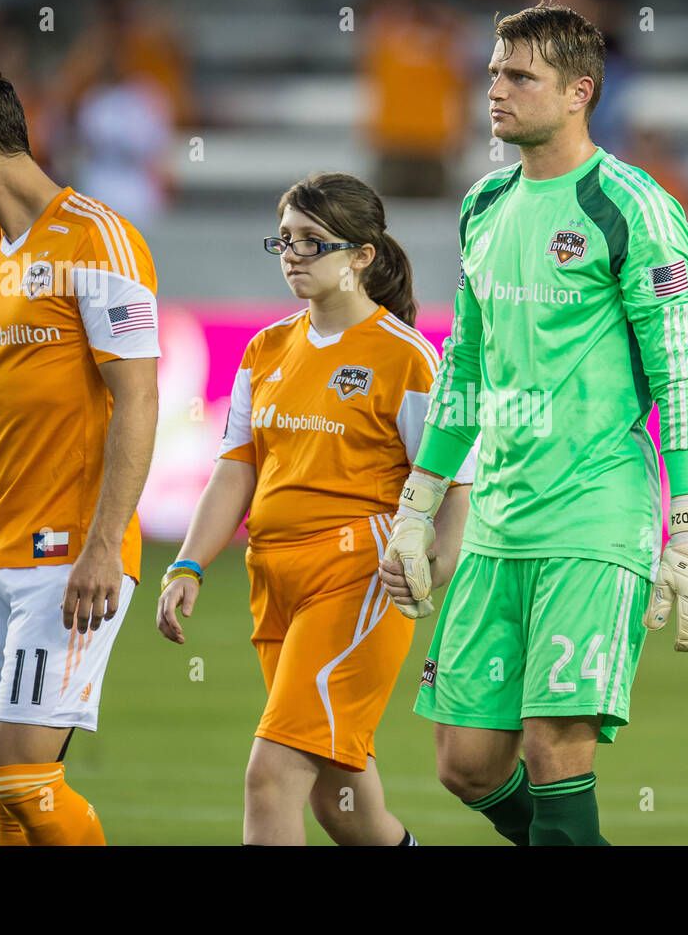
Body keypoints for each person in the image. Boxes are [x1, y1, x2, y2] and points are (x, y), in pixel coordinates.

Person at [377, 1, 688, 847]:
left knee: (552, 748)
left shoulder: (635, 208)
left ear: (580, 92)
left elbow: (678, 373)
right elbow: (463, 370)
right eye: (495, 72)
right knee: (465, 762)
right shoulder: (483, 204)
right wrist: (418, 509)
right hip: (497, 520)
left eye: (518, 76)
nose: (494, 89)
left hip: (594, 516)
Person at [156, 172, 473, 846]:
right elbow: (236, 469)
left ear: (362, 255)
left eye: (312, 242)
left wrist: (433, 568)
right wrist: (187, 563)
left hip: (356, 581)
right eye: (285, 240)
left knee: (269, 778)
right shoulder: (265, 349)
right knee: (343, 803)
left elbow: (457, 484)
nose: (292, 255)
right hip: (273, 581)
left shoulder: (408, 358)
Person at [0, 62, 160, 846]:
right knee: (7, 801)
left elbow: (138, 400)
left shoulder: (101, 238)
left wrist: (102, 546)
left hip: (66, 556)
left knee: (23, 776)